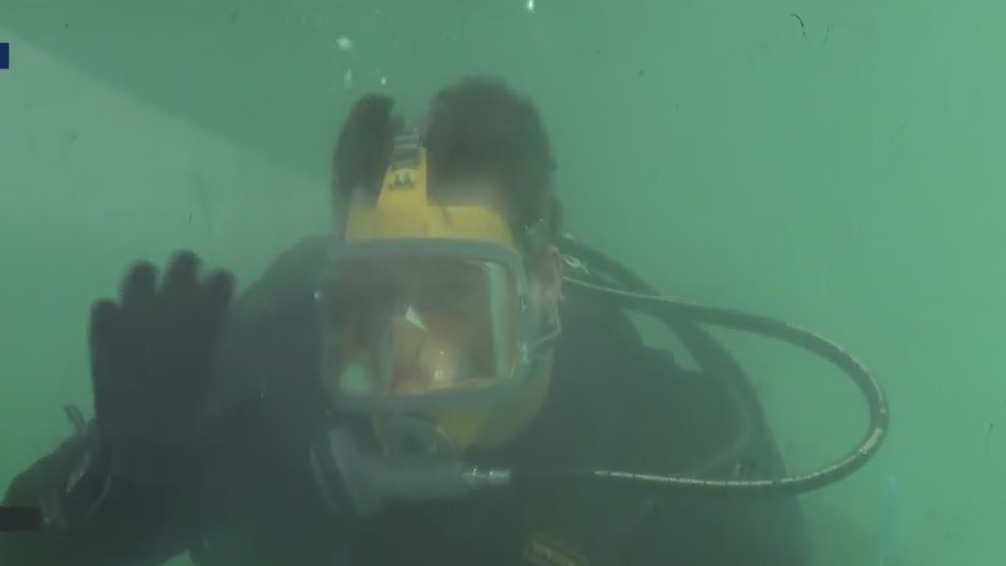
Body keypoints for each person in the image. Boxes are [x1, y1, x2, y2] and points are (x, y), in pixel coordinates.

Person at [1, 76, 815, 565]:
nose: (409, 363)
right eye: (369, 301)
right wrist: (115, 485)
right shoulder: (273, 367)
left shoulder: (684, 460)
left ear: (544, 285)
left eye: (455, 296)